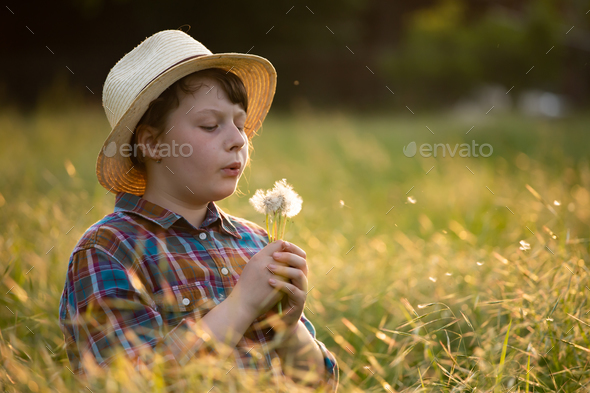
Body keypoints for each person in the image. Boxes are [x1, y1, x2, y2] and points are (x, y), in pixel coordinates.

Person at [58, 29, 339, 391]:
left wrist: (288, 325)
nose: (238, 139)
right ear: (153, 144)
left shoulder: (254, 241)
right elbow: (126, 382)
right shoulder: (110, 249)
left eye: (240, 124)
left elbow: (321, 384)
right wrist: (241, 304)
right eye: (210, 125)